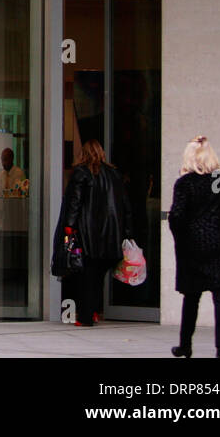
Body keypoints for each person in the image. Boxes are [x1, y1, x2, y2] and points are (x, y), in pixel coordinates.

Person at [168, 135, 220, 358]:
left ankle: (185, 345)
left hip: (193, 245)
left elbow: (177, 217)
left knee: (191, 297)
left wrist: (181, 238)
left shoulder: (186, 183)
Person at [57, 139, 133, 327]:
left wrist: (69, 227)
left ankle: (85, 316)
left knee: (85, 277)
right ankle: (93, 311)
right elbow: (125, 206)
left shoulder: (81, 173)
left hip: (87, 235)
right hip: (111, 236)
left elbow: (74, 203)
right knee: (98, 277)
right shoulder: (114, 175)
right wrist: (127, 232)